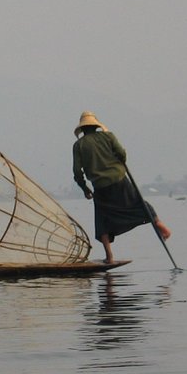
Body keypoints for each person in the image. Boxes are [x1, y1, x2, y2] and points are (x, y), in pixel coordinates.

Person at [72, 111, 170, 263]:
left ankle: (109, 256)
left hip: (100, 186)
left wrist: (85, 189)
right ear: (95, 126)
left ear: (83, 129)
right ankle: (159, 224)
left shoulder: (79, 145)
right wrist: (120, 160)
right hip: (119, 179)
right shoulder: (108, 136)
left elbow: (77, 171)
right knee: (137, 203)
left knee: (102, 220)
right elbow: (122, 153)